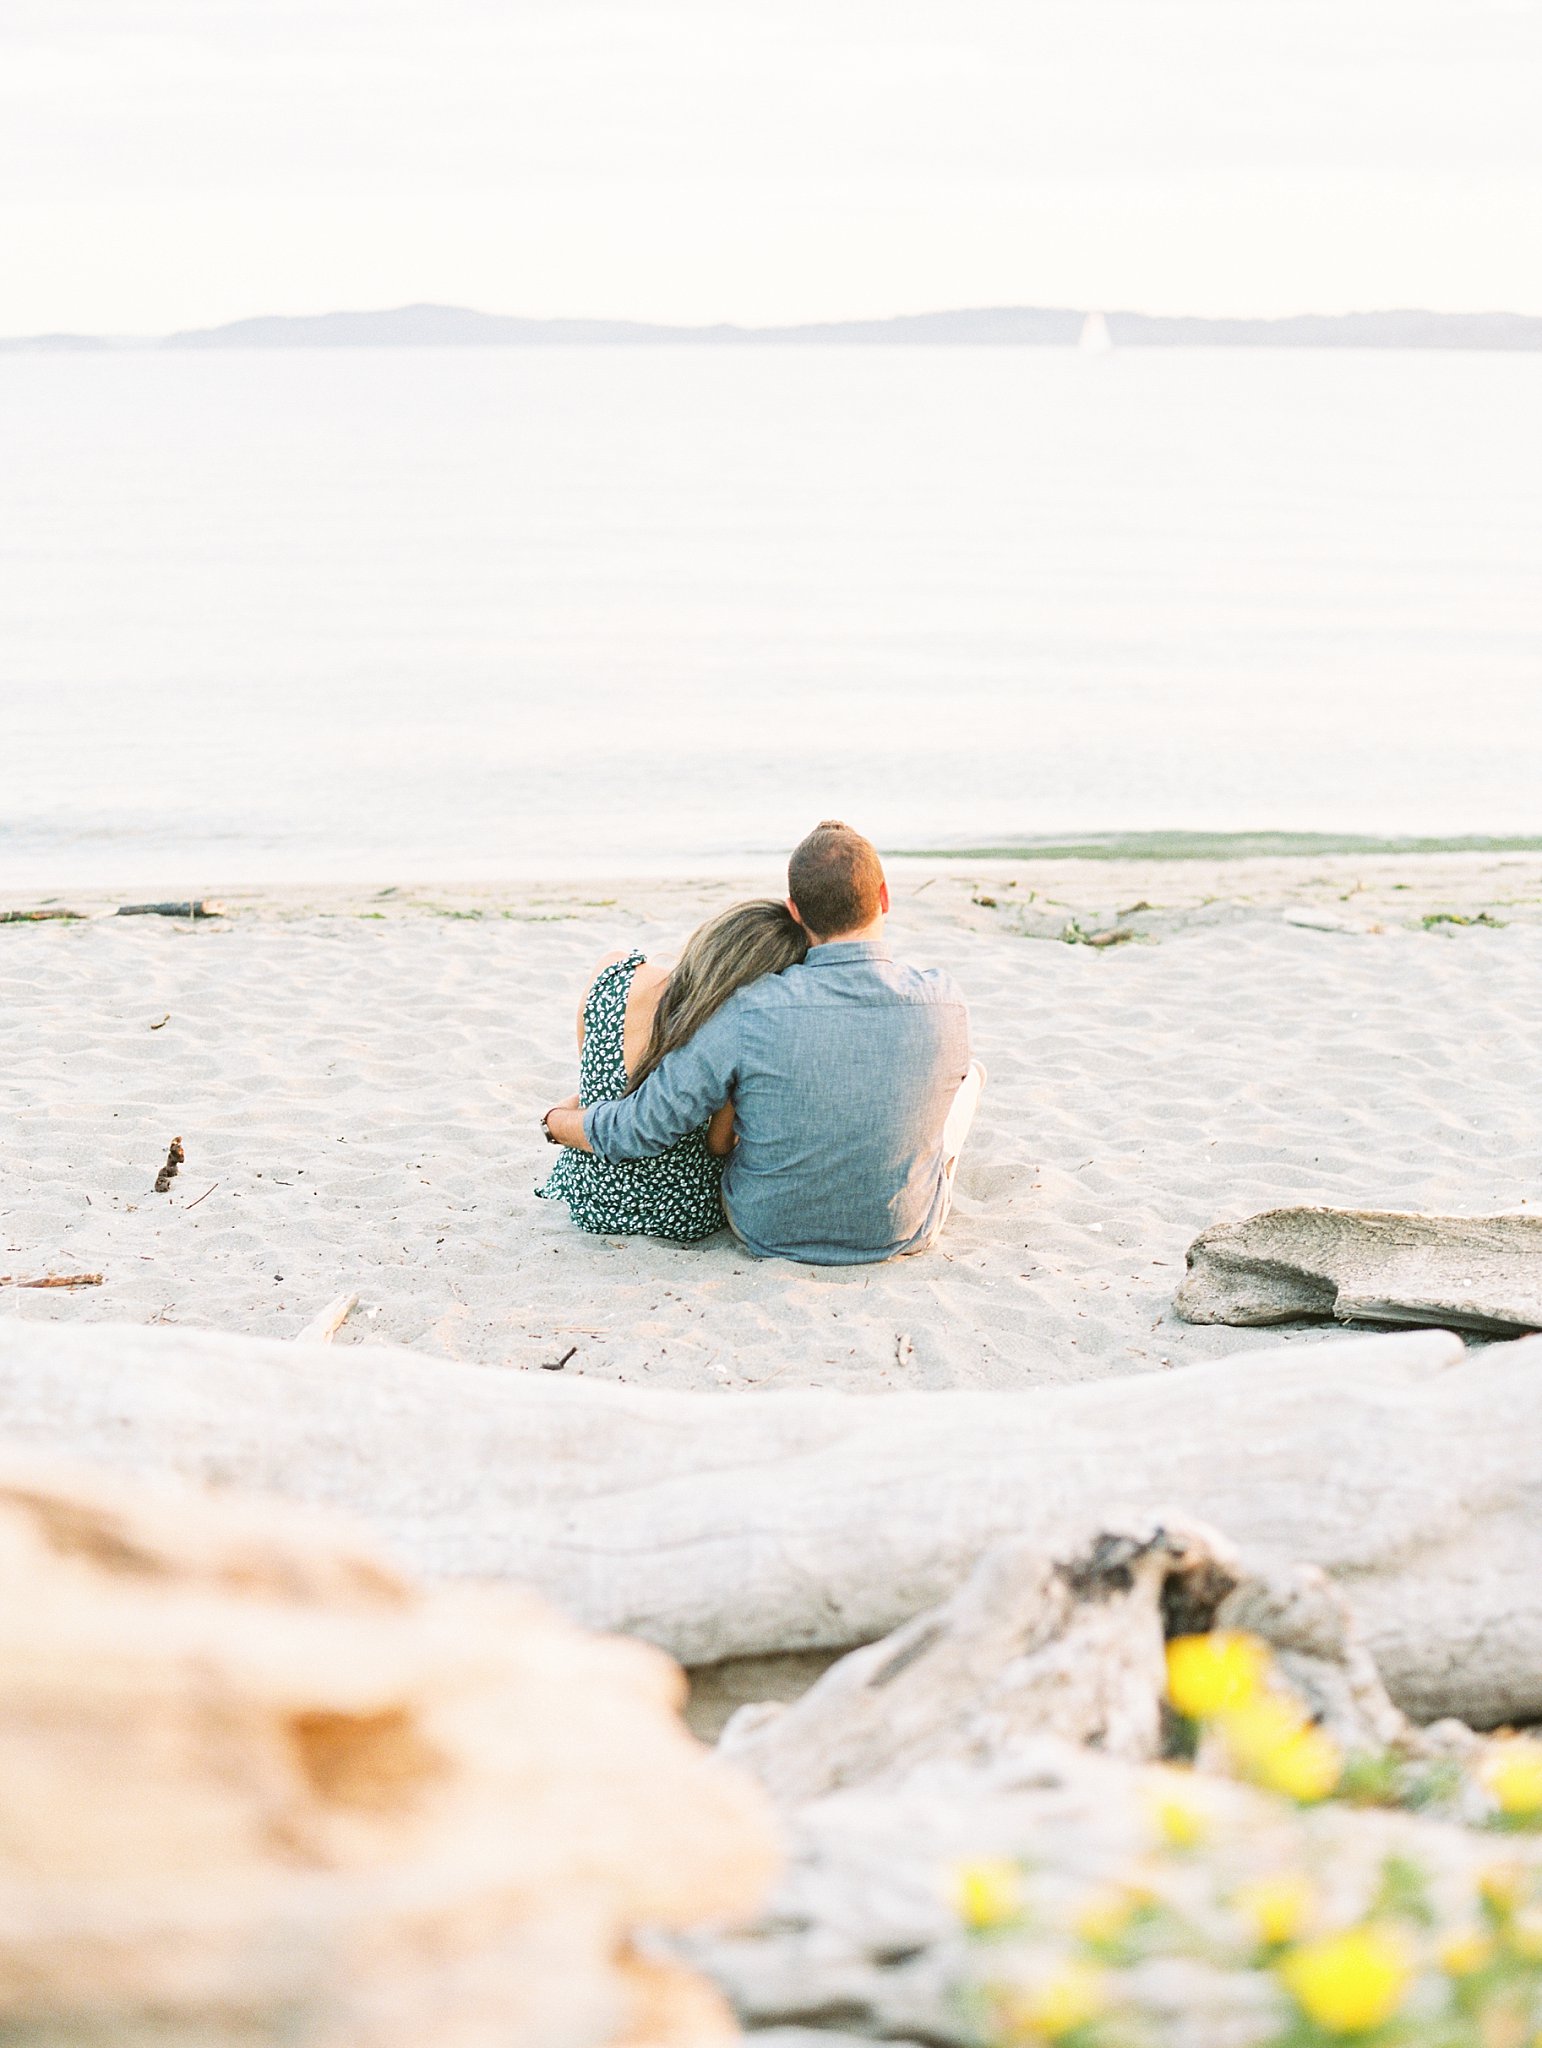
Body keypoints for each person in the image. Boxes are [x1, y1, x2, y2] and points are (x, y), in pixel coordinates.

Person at [541, 820, 984, 1263]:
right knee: (970, 1078)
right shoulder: (945, 1001)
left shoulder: (748, 1010)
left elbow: (639, 1128)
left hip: (766, 1231)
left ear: (794, 910)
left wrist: (554, 1122)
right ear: (884, 898)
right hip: (899, 1231)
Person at [536, 899, 808, 1240]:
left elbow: (593, 1081)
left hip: (592, 1198)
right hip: (683, 1212)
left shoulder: (614, 971)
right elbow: (718, 1144)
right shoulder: (728, 1028)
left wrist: (560, 1115)